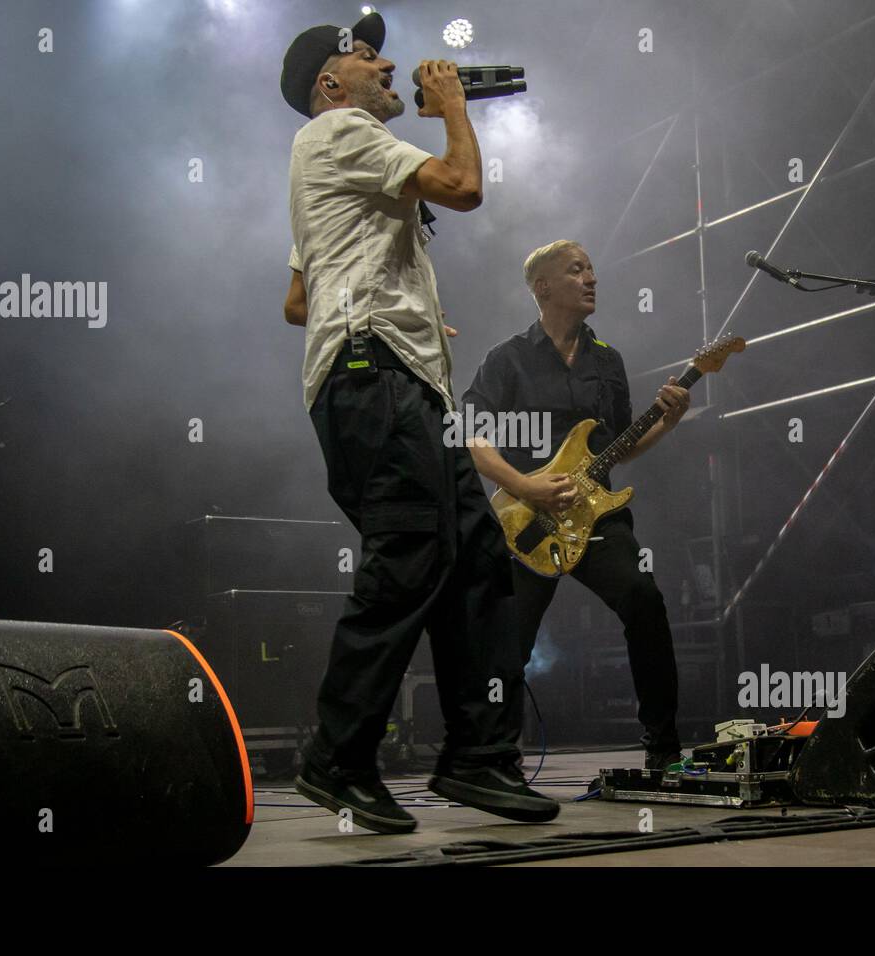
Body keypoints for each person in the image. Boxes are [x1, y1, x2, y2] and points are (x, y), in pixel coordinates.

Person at [279, 11, 557, 833]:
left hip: (397, 379)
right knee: (410, 559)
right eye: (367, 56)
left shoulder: (335, 165)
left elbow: (298, 300)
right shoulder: (340, 134)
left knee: (475, 562)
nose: (391, 65)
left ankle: (478, 757)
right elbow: (465, 188)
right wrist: (455, 109)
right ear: (331, 84)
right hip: (376, 381)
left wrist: (388, 299)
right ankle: (337, 758)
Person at [461, 240, 689, 770]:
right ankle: (495, 759)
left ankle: (663, 747)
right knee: (508, 642)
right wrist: (525, 486)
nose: (591, 278)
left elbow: (620, 447)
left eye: (591, 268)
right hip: (527, 520)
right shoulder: (507, 359)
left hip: (598, 518)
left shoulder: (607, 361)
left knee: (644, 600)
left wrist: (668, 420)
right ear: (541, 287)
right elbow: (471, 437)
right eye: (576, 270)